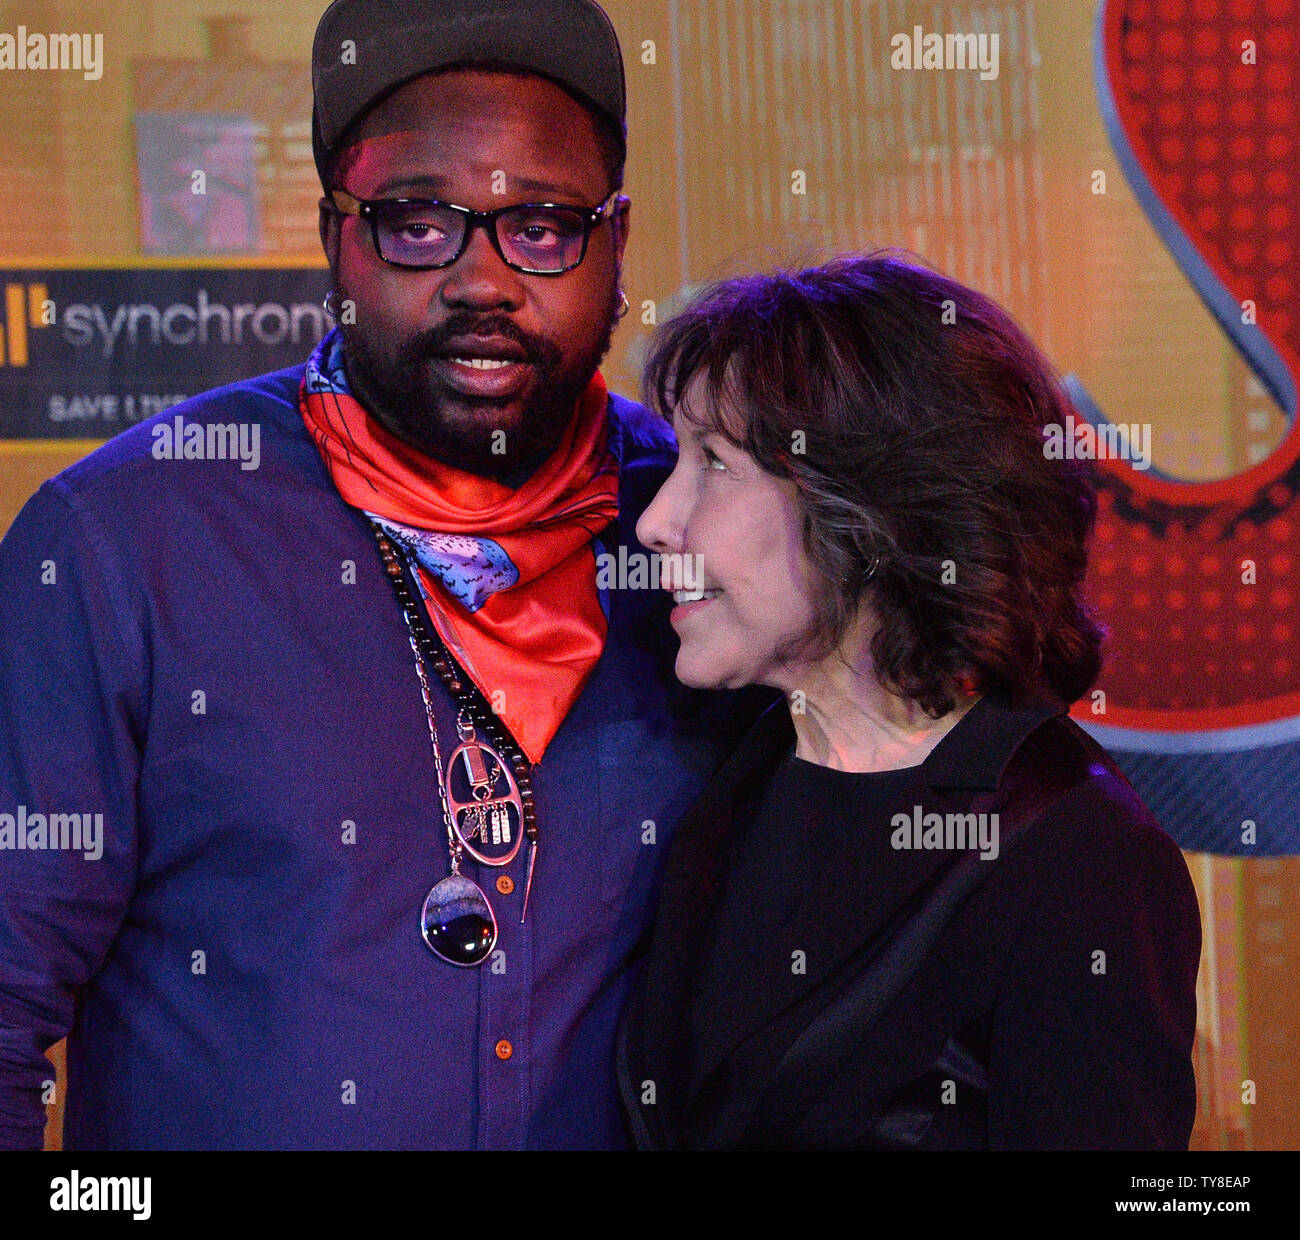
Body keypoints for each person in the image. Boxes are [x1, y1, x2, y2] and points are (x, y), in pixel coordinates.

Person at [0, 0, 772, 1150]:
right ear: (333, 235)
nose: (484, 280)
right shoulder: (127, 538)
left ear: (617, 241)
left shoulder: (719, 535)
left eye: (544, 225)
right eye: (418, 223)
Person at [616, 253, 1202, 1150]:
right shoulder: (726, 772)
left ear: (872, 510)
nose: (657, 520)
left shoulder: (1079, 857)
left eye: (715, 463)